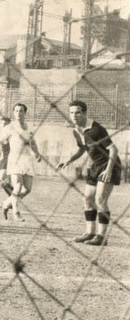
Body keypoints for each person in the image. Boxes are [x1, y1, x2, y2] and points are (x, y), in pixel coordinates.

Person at [56, 100, 122, 246]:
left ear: (85, 113)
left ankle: (101, 236)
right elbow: (82, 149)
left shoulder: (97, 129)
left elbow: (113, 149)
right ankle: (90, 233)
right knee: (87, 199)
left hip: (109, 164)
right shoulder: (76, 130)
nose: (74, 115)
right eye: (72, 112)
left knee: (100, 200)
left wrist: (109, 170)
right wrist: (68, 160)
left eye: (78, 112)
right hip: (95, 166)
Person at [0, 103, 42, 222]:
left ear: (25, 113)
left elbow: (33, 142)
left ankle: (6, 204)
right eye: (16, 111)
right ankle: (16, 213)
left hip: (27, 160)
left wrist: (37, 153)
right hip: (14, 159)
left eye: (21, 111)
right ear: (13, 113)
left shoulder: (30, 127)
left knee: (27, 189)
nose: (18, 113)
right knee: (17, 186)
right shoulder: (10, 127)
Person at [0, 117, 14, 196]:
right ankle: (13, 196)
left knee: (1, 179)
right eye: (2, 123)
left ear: (9, 125)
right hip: (6, 159)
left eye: (5, 124)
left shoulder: (12, 135)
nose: (3, 125)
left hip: (12, 159)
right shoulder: (0, 136)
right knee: (4, 181)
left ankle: (13, 196)